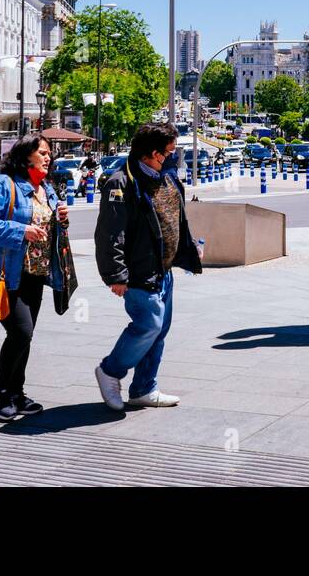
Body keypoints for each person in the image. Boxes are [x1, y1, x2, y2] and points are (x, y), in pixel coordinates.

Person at [94, 122, 202, 410]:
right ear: (150, 154)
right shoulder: (121, 183)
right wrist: (116, 275)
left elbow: (176, 219)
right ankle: (110, 371)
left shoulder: (166, 177)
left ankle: (144, 388)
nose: (172, 156)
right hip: (139, 271)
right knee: (148, 326)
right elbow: (110, 233)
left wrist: (188, 249)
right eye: (168, 152)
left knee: (159, 330)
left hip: (163, 272)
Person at [0, 133, 69, 421]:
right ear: (25, 156)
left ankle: (16, 393)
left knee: (25, 336)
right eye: (42, 153)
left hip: (35, 273)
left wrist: (61, 217)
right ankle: (0, 391)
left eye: (49, 153)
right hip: (5, 274)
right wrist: (20, 231)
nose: (48, 157)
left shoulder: (45, 189)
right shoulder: (3, 185)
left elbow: (47, 226)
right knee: (21, 332)